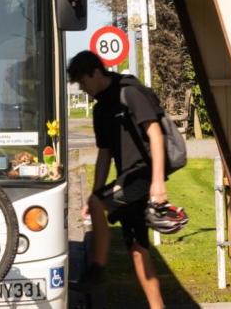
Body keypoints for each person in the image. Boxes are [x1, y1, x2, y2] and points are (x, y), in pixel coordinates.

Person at [67, 50, 166, 309]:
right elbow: (105, 154)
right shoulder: (101, 110)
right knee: (138, 249)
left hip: (144, 174)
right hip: (128, 177)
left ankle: (97, 270)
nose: (82, 88)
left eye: (83, 82)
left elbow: (155, 134)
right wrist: (94, 193)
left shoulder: (129, 93)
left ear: (97, 73)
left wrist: (158, 181)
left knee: (101, 204)